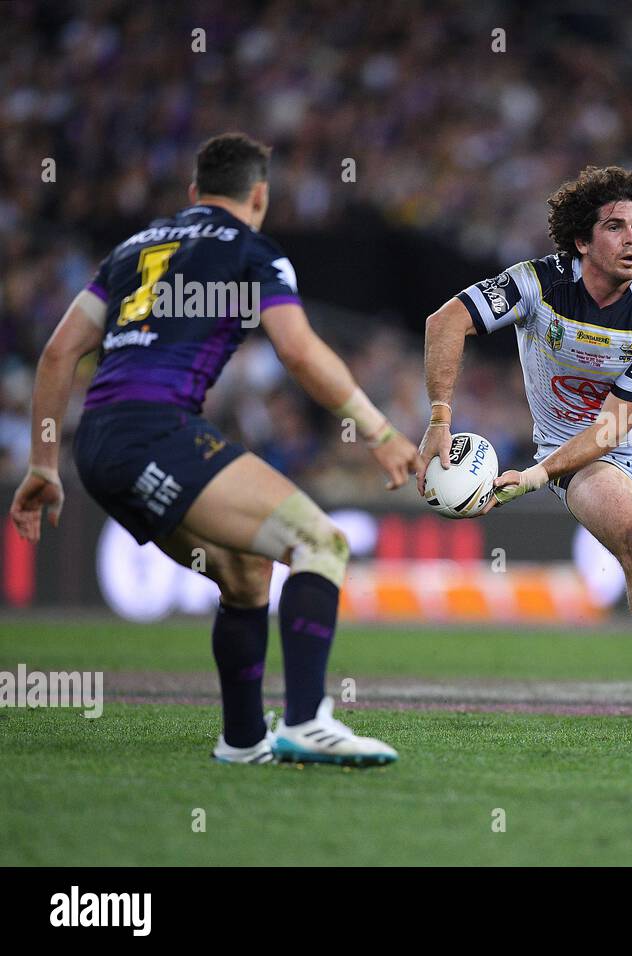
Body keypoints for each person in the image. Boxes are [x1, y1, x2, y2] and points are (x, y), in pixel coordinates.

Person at [8, 133, 421, 766]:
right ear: (260, 194)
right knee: (321, 542)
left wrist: (42, 462)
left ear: (194, 193)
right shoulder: (254, 252)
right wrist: (379, 430)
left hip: (96, 448)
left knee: (244, 574)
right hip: (157, 430)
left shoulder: (130, 248)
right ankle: (308, 721)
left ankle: (242, 740)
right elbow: (299, 349)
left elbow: (60, 352)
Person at [417, 165, 632, 737]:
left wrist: (533, 475)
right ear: (582, 240)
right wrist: (439, 418)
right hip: (576, 456)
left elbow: (614, 425)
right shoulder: (534, 284)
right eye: (616, 227)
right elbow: (444, 321)